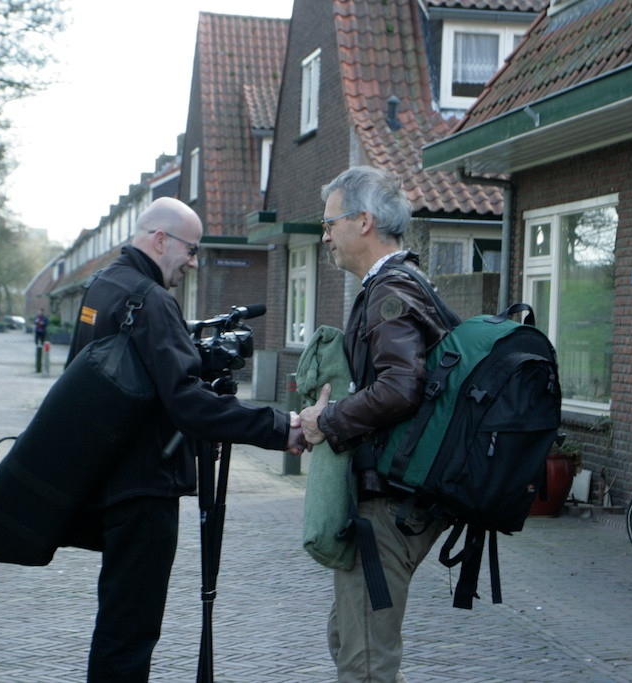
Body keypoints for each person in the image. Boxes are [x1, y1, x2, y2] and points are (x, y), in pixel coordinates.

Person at [65, 196, 306, 682]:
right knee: (132, 629)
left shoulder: (100, 287)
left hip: (108, 482)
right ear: (160, 240)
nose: (193, 263)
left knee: (116, 624)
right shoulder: (151, 301)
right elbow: (189, 403)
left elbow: (92, 385)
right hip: (145, 489)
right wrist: (282, 428)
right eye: (191, 250)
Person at [299, 166, 452, 683]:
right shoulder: (401, 284)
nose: (324, 236)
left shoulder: (391, 293)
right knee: (352, 638)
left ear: (363, 222)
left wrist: (330, 419)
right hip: (394, 501)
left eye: (329, 223)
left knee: (364, 660)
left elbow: (400, 385)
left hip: (388, 505)